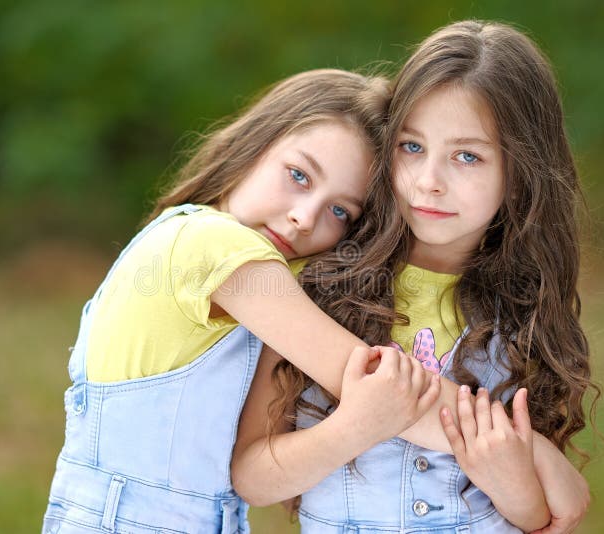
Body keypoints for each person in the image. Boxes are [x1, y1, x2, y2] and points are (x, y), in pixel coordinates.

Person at [41, 68, 450, 534]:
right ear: (255, 144)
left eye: (340, 211)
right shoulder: (216, 246)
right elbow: (373, 381)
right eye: (298, 175)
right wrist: (526, 453)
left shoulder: (219, 247)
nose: (303, 217)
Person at [231, 20, 596, 533]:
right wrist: (353, 429)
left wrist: (517, 485)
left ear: (521, 172)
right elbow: (253, 475)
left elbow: (545, 515)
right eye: (412, 147)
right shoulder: (321, 289)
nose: (429, 182)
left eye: (467, 156)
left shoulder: (524, 311)